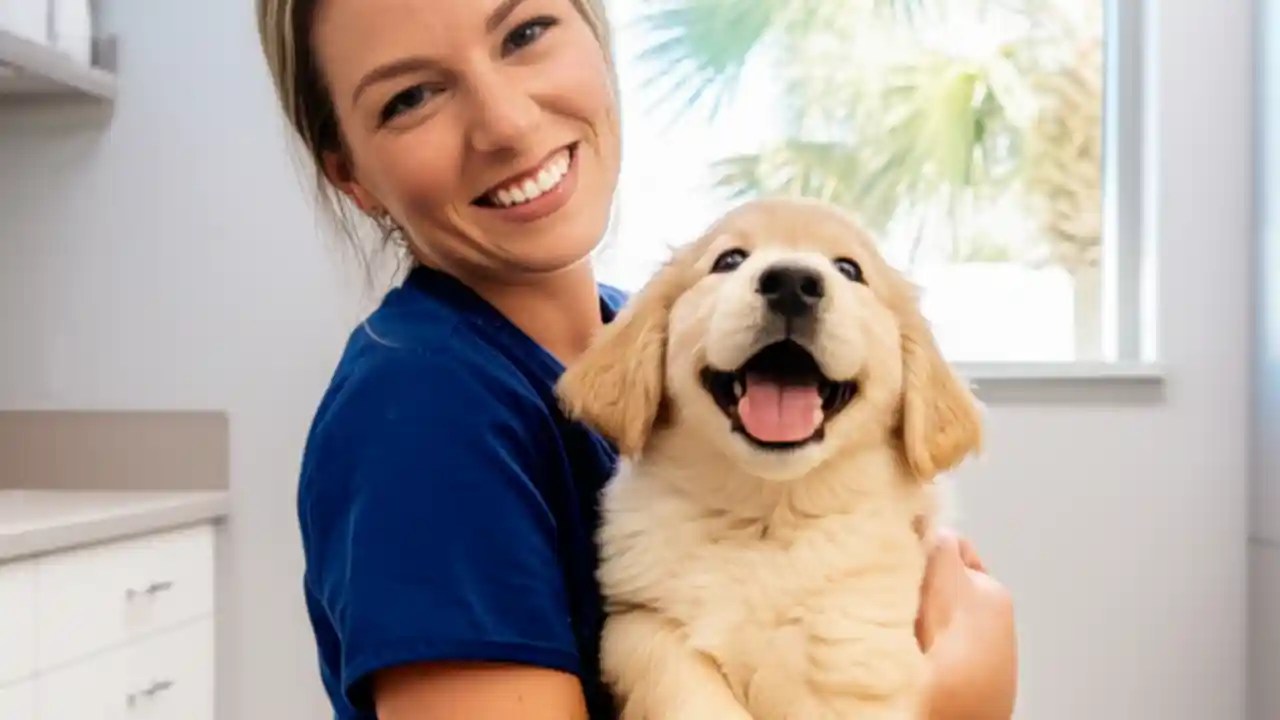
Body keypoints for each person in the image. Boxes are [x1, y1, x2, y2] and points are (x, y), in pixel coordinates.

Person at [255, 0, 1018, 718]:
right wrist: (953, 698)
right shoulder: (422, 411)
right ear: (350, 174)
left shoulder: (645, 342)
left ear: (596, 32)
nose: (507, 124)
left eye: (523, 32)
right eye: (412, 96)